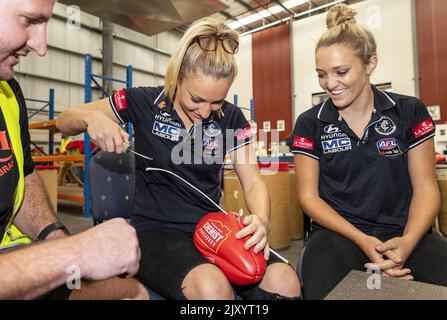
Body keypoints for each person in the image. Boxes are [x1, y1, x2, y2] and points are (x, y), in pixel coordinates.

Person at [57, 17, 301, 300]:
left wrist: (261, 220)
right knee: (212, 288)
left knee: (285, 280)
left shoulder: (232, 117)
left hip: (212, 229)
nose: (206, 112)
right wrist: (91, 118)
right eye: (196, 99)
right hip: (155, 233)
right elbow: (65, 120)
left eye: (217, 102)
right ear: (178, 74)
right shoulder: (144, 101)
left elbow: (253, 183)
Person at [292, 3, 447, 299]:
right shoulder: (309, 123)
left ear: (370, 64)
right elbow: (308, 197)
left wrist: (406, 244)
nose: (330, 84)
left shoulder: (409, 111)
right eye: (322, 74)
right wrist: (363, 240)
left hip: (405, 234)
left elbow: (427, 189)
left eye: (341, 72)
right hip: (338, 237)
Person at [0, 0, 148, 300]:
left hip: (13, 253)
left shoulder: (9, 92)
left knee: (131, 294)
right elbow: (68, 119)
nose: (41, 47)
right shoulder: (144, 99)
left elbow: (23, 175)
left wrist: (54, 235)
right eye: (29, 21)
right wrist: (74, 252)